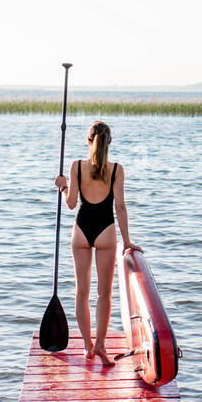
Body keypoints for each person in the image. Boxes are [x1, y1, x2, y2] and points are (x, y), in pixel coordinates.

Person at [55, 120, 140, 364]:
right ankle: (101, 346)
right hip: (106, 232)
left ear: (88, 140)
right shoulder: (117, 170)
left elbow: (71, 204)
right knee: (104, 294)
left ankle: (87, 347)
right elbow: (120, 207)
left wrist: (63, 187)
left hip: (81, 230)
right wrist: (127, 241)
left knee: (81, 293)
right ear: (109, 142)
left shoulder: (76, 167)